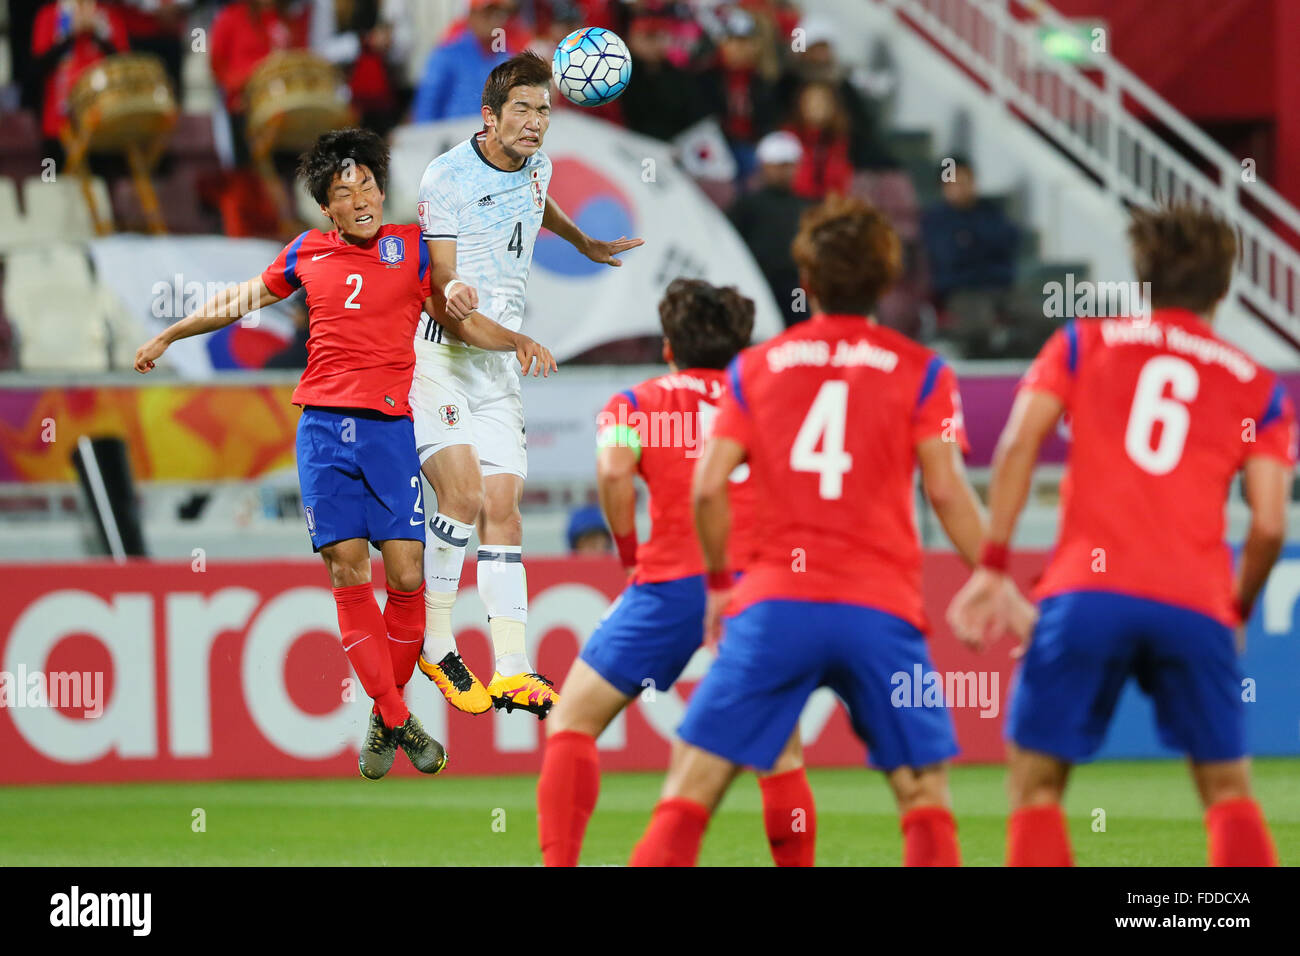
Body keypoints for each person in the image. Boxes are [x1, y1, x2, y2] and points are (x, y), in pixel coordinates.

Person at [628, 196, 1034, 867]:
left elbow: (707, 486)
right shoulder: (923, 370)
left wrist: (721, 585)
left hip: (774, 604)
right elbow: (946, 488)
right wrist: (994, 573)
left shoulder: (754, 369)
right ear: (886, 281)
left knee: (692, 785)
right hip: (879, 608)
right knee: (923, 792)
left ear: (806, 280)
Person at [947, 201, 1296, 867]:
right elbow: (1271, 523)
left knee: (1037, 784)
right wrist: (1238, 607)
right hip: (1194, 599)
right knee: (1226, 789)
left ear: (1141, 279)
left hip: (1088, 591)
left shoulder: (1084, 343)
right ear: (1224, 288)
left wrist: (992, 563)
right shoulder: (1258, 387)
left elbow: (1020, 442)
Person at [132, 128, 478, 781]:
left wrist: (488, 322)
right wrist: (171, 332)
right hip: (323, 431)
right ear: (326, 208)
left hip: (389, 428)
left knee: (406, 576)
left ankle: (384, 717)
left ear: (381, 185)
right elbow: (237, 302)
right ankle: (400, 721)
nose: (360, 199)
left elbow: (454, 298)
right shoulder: (306, 254)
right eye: (343, 192)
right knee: (349, 575)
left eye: (367, 184)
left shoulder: (413, 246)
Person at [537, 278, 815, 867]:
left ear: (669, 346)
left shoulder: (633, 404)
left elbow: (613, 475)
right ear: (741, 348)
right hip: (759, 588)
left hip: (669, 582)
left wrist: (629, 550)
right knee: (780, 750)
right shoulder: (767, 402)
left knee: (571, 719)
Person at [413, 51, 643, 719]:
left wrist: (584, 244)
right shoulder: (446, 176)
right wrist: (511, 335)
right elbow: (444, 294)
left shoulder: (537, 167)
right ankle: (435, 639)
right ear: (490, 116)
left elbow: (538, 205)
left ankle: (511, 668)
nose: (537, 122)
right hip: (444, 358)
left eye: (545, 110)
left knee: (504, 510)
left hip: (498, 369)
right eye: (523, 109)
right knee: (461, 492)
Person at [919, 156, 1033, 358]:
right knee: (979, 330)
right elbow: (950, 257)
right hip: (962, 290)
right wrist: (981, 246)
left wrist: (970, 242)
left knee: (1040, 322)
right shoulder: (936, 219)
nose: (963, 187)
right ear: (943, 186)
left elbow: (1008, 242)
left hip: (1000, 286)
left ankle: (1010, 365)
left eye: (967, 180)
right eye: (955, 182)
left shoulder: (991, 212)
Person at [728, 130, 812, 327]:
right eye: (779, 165)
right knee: (760, 328)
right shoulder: (746, 206)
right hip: (758, 282)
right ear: (764, 165)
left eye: (790, 165)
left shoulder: (807, 208)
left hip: (795, 288)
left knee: (799, 326)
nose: (785, 171)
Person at [31, 0, 128, 148]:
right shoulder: (50, 14)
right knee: (53, 169)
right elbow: (38, 68)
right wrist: (71, 35)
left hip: (104, 122)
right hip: (59, 123)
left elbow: (124, 66)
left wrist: (97, 33)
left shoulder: (108, 14)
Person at [411, 0, 516, 123]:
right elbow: (426, 109)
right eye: (486, 13)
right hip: (453, 137)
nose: (493, 19)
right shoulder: (447, 56)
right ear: (471, 16)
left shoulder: (509, 60)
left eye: (498, 13)